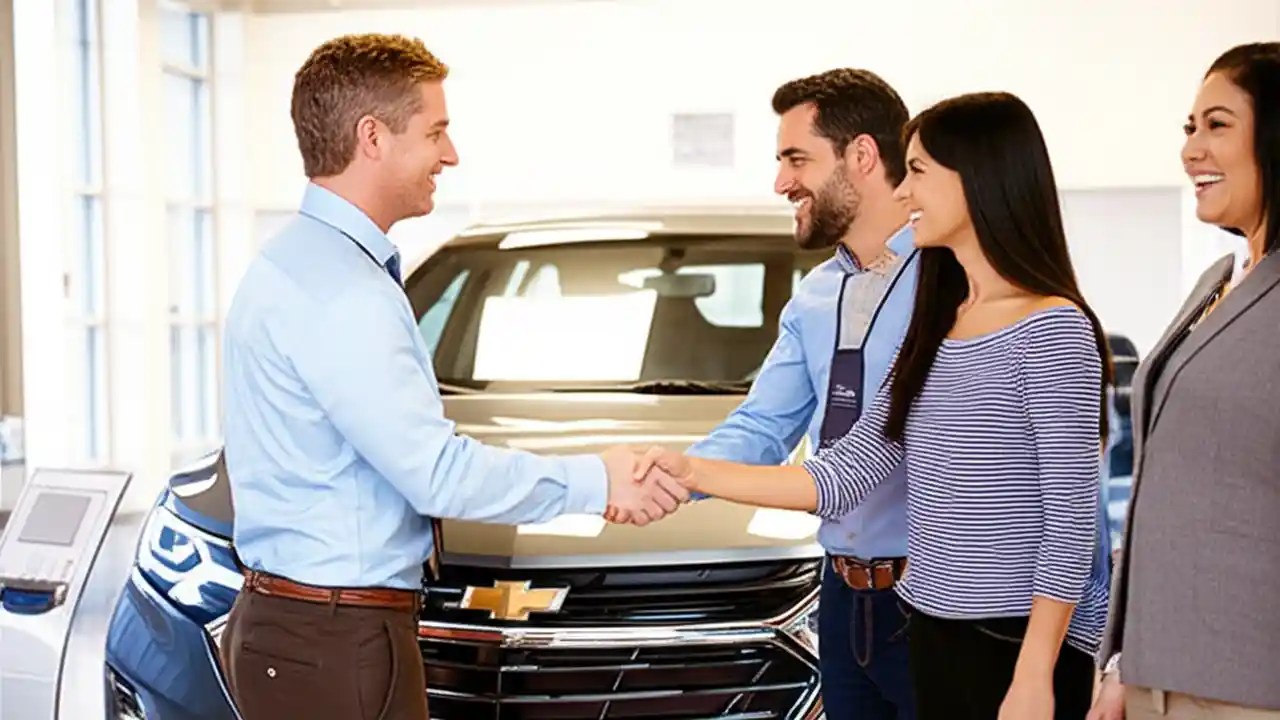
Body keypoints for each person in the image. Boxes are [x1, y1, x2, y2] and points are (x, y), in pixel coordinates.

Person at [216, 34, 684, 720]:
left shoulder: (294, 261)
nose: (450, 154)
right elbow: (436, 474)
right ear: (371, 137)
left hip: (297, 626)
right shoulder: (344, 291)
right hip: (337, 638)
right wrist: (600, 478)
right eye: (435, 131)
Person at [633, 92, 1113, 720]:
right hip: (922, 622)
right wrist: (686, 471)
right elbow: (844, 471)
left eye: (916, 172)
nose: (904, 192)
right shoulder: (938, 321)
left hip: (1009, 636)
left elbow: (1073, 517)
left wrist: (1040, 670)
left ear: (977, 182)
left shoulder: (1050, 328)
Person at [615, 68, 923, 718]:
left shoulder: (952, 278)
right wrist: (668, 478)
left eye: (796, 159)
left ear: (862, 156)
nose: (781, 181)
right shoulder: (815, 297)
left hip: (935, 598)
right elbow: (760, 428)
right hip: (840, 600)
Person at [1088, 41, 1280, 720]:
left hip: (1249, 687)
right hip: (1157, 678)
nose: (1192, 148)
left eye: (1218, 125)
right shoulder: (1217, 283)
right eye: (1189, 128)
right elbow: (1160, 496)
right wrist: (1122, 661)